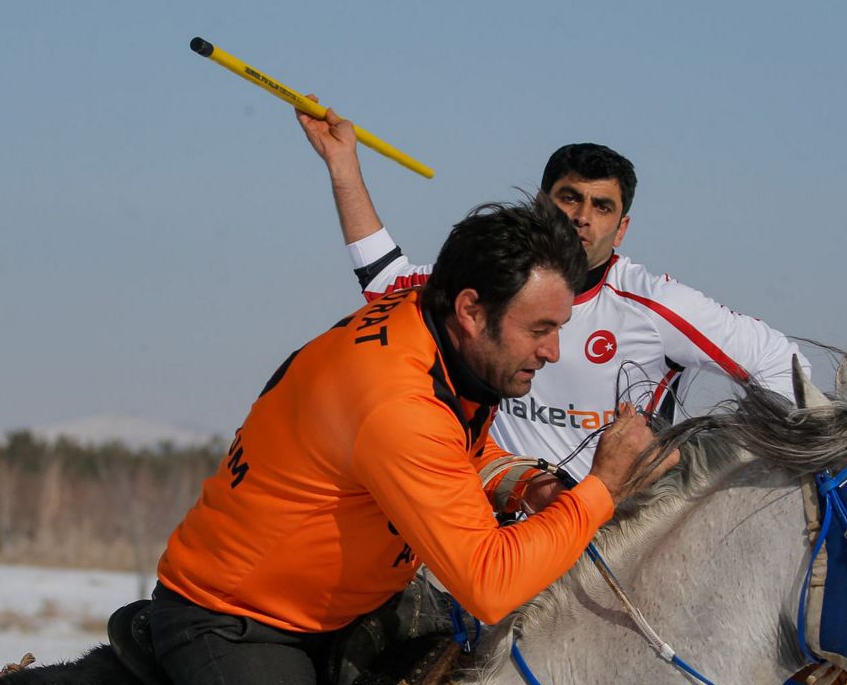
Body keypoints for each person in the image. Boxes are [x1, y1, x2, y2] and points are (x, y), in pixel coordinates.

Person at [149, 196, 677, 685]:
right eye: (539, 328)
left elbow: (459, 451)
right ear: (471, 310)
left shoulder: (428, 334)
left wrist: (524, 482)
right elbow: (487, 581)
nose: (552, 350)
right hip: (235, 622)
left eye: (561, 326)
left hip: (339, 609)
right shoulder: (399, 401)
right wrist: (602, 489)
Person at [299, 104, 811, 477]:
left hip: (612, 542)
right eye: (570, 197)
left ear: (622, 228)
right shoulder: (494, 279)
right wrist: (342, 165)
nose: (582, 218)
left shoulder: (655, 305)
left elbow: (777, 361)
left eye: (601, 206)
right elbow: (387, 285)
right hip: (498, 523)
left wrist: (733, 464)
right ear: (542, 203)